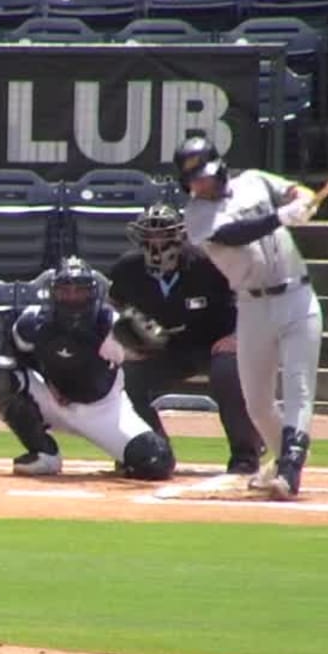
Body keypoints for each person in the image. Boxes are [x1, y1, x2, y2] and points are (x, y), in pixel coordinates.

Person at [174, 136, 321, 500]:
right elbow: (235, 234)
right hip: (253, 306)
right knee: (256, 402)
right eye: (194, 181)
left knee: (299, 387)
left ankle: (290, 468)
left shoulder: (253, 180)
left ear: (220, 167)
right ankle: (283, 453)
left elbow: (295, 190)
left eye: (205, 177)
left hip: (298, 297)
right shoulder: (197, 216)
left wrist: (302, 202)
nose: (202, 185)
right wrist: (279, 217)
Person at [0, 256, 175, 482]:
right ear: (53, 293)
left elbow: (156, 343)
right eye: (65, 290)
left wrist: (143, 341)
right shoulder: (32, 323)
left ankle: (124, 455)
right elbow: (19, 360)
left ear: (92, 294)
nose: (72, 297)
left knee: (156, 463)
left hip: (104, 410)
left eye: (79, 291)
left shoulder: (112, 324)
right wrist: (49, 385)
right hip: (52, 402)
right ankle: (43, 452)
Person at [108, 202, 264, 475]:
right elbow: (113, 307)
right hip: (163, 348)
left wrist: (236, 336)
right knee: (126, 378)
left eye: (163, 236)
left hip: (213, 343)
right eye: (150, 237)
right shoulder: (127, 269)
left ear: (179, 237)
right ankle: (151, 449)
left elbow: (251, 299)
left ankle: (245, 454)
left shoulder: (208, 264)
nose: (156, 244)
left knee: (229, 372)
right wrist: (129, 341)